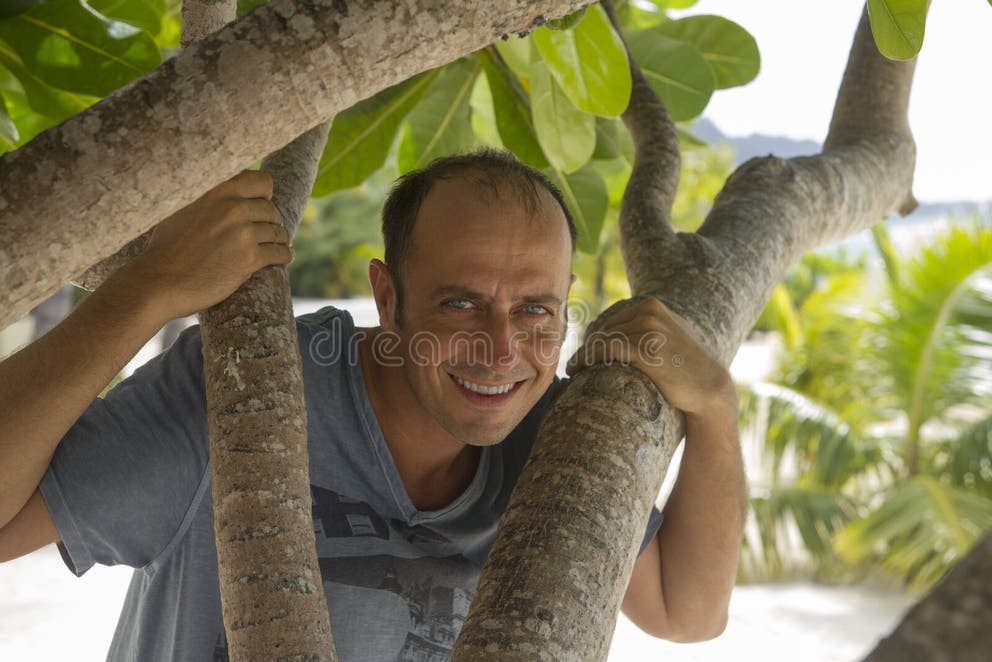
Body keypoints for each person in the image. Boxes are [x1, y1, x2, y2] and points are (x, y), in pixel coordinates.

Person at [0, 150, 745, 660]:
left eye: (538, 311)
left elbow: (688, 610)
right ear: (387, 298)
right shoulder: (248, 390)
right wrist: (147, 290)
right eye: (461, 303)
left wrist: (714, 405)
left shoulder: (549, 434)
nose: (501, 349)